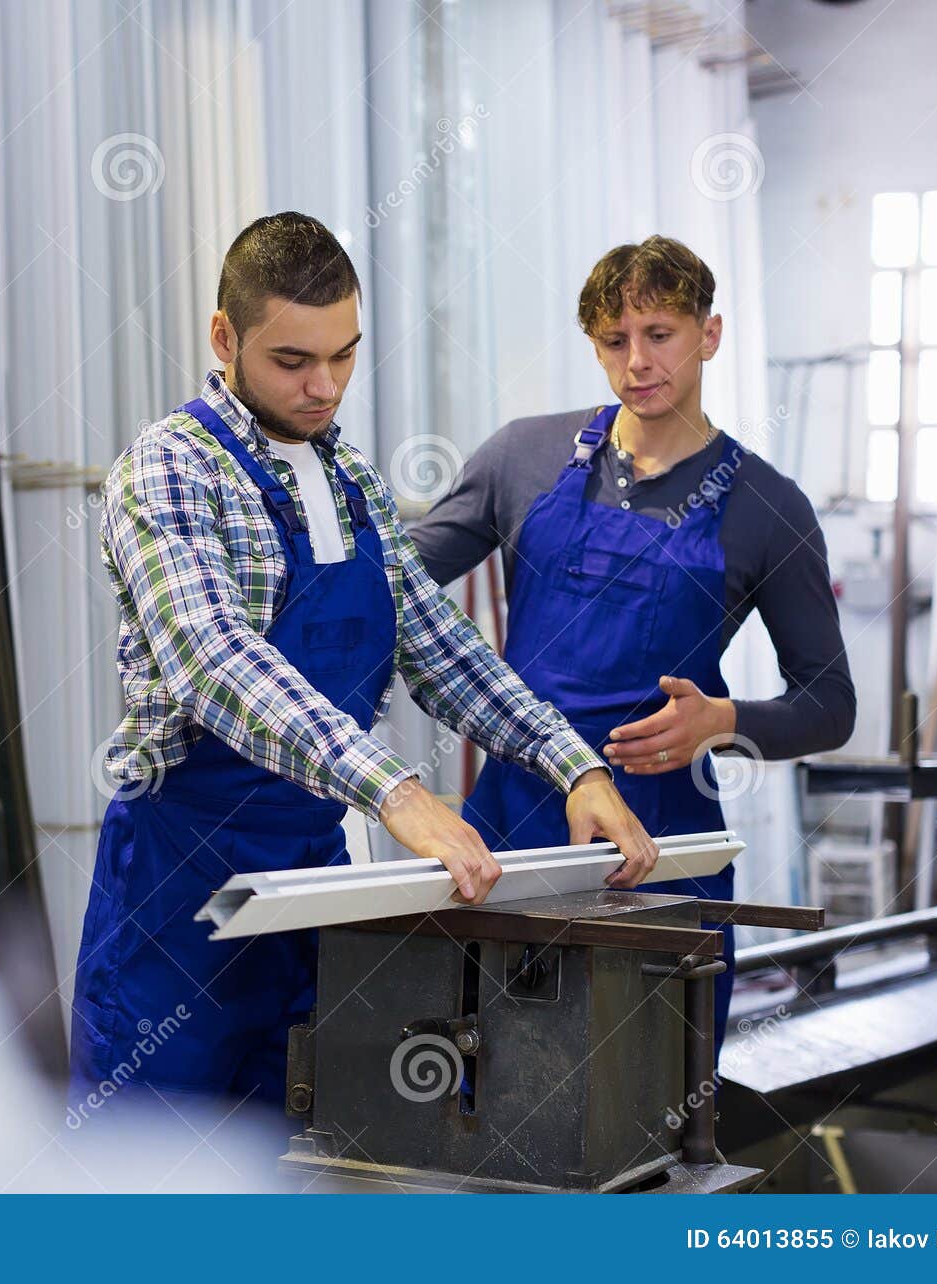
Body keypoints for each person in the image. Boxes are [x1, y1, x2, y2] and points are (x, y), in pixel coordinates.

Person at [70, 213, 658, 1120]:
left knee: (305, 1156)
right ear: (224, 337)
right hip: (178, 896)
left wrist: (569, 761)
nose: (324, 386)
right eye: (292, 360)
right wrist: (396, 792)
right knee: (148, 1189)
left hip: (311, 881)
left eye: (343, 356)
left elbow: (439, 644)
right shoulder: (168, 469)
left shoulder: (351, 480)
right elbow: (213, 660)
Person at [410, 235, 855, 1050]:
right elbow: (393, 585)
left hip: (663, 848)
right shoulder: (524, 456)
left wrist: (721, 720)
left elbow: (830, 704)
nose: (636, 363)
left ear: (708, 335)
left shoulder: (768, 505)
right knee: (482, 1077)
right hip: (512, 832)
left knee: (647, 1097)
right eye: (615, 341)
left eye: (661, 335)